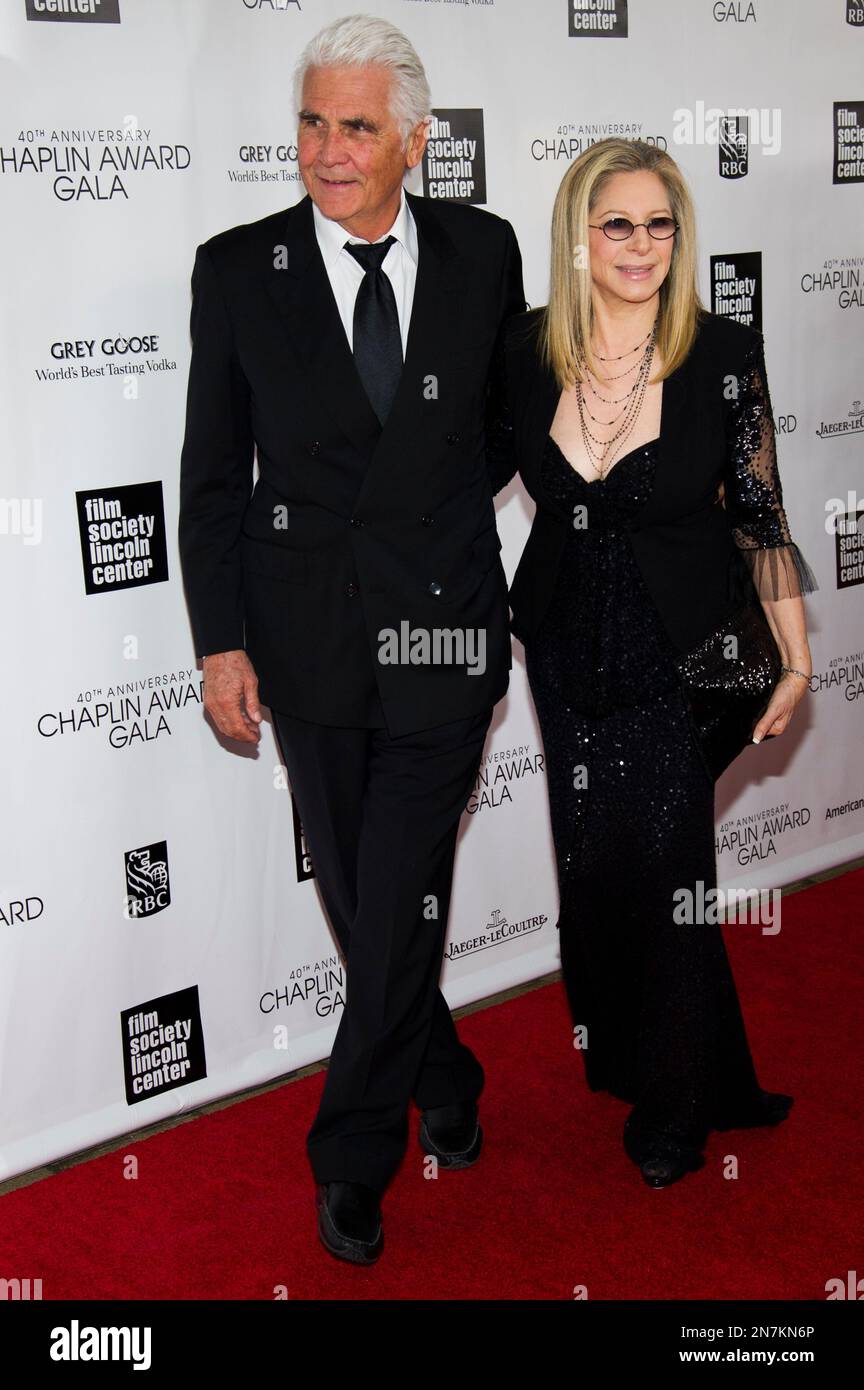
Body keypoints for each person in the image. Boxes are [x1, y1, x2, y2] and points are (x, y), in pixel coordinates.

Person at [178, 14, 524, 1262]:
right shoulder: (237, 269)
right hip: (308, 645)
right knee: (369, 898)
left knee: (397, 893)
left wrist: (428, 523)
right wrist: (222, 643)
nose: (329, 150)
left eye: (358, 126)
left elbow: (499, 431)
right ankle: (446, 1066)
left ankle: (351, 1153)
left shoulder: (484, 253)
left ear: (416, 142)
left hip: (441, 640)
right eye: (315, 123)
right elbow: (211, 480)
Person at [486, 137, 816, 1188]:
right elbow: (456, 483)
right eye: (617, 223)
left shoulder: (721, 353)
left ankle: (678, 1107)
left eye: (660, 224)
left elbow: (762, 517)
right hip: (568, 654)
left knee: (674, 873)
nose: (641, 245)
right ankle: (633, 1054)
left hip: (686, 655)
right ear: (578, 237)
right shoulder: (529, 348)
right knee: (599, 872)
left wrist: (800, 665)